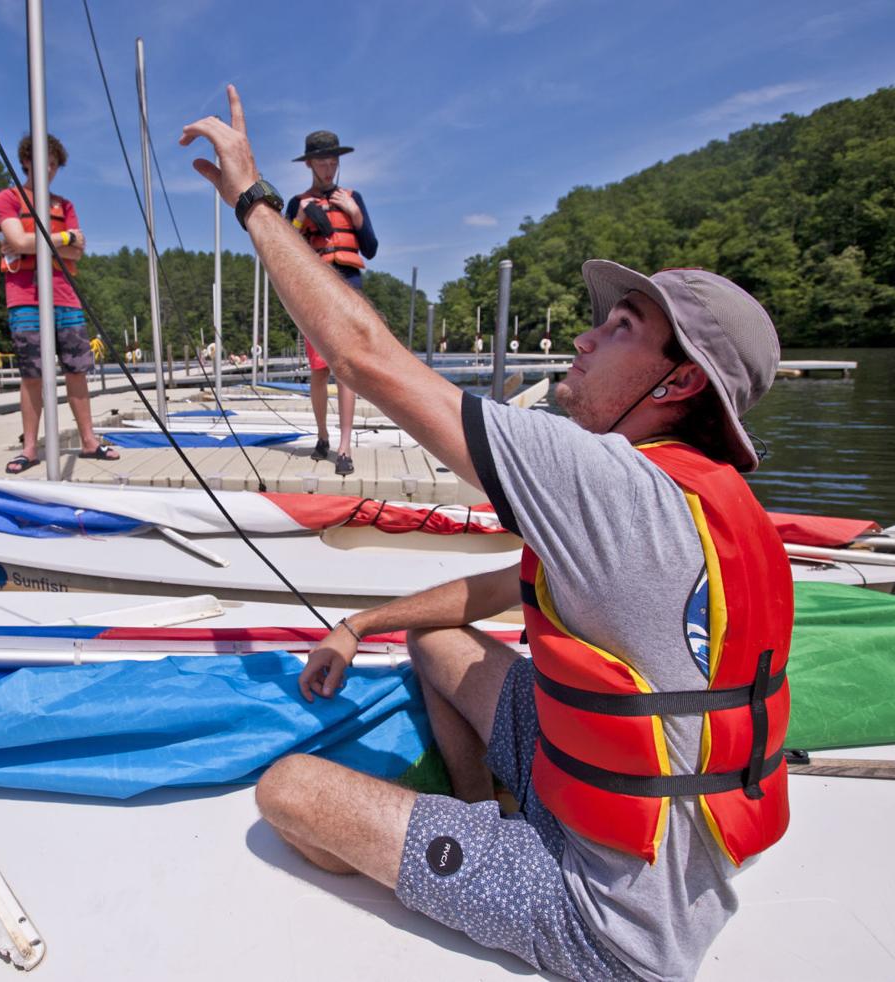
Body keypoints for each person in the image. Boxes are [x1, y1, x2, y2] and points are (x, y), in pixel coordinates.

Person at [182, 87, 792, 981]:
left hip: (608, 923)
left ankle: (491, 854)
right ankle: (489, 806)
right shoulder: (700, 498)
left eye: (619, 329)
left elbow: (365, 358)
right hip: (659, 849)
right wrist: (362, 624)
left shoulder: (604, 482)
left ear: (679, 386)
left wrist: (251, 198)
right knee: (435, 644)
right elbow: (506, 586)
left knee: (289, 795)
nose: (583, 340)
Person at [0, 133, 119, 474]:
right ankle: (30, 449)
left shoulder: (64, 206)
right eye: (41, 162)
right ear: (25, 161)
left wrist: (36, 243)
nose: (47, 169)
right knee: (31, 373)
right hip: (24, 296)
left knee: (77, 368)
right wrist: (61, 239)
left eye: (53, 163)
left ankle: (89, 441)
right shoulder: (8, 198)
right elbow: (18, 239)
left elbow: (76, 251)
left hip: (65, 295)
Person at [285, 130, 378, 477]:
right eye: (322, 161)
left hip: (349, 287)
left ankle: (344, 445)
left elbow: (370, 247)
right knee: (319, 369)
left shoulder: (353, 197)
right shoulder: (299, 202)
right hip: (316, 290)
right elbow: (287, 251)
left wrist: (354, 214)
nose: (328, 168)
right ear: (309, 163)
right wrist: (301, 218)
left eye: (333, 161)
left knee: (346, 368)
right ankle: (322, 436)